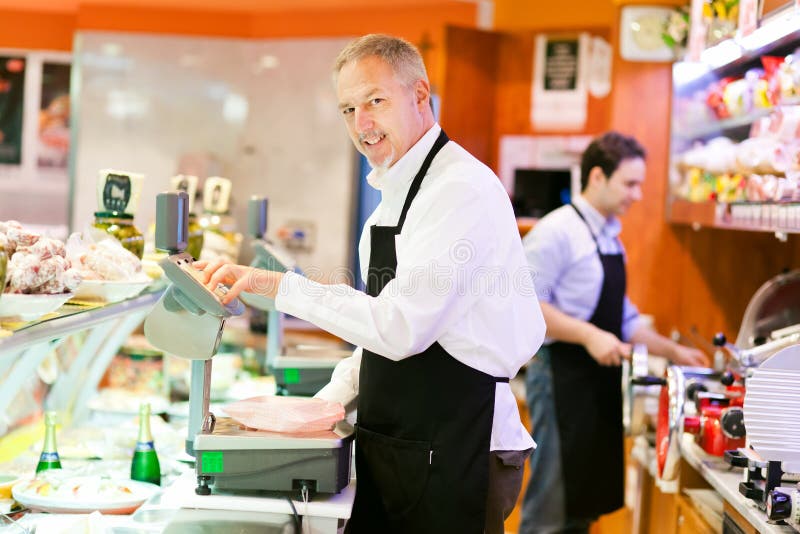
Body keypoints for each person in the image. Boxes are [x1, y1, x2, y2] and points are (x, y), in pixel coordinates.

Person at [198, 34, 546, 533]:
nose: (361, 124)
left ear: (420, 95)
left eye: (375, 101)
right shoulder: (393, 199)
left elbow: (400, 329)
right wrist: (321, 408)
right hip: (403, 444)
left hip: (457, 448)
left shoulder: (460, 190)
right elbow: (378, 337)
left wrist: (280, 287)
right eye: (348, 109)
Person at [518, 131, 709, 534]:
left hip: (597, 385)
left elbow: (624, 320)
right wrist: (589, 335)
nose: (637, 195)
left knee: (583, 503)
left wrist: (674, 352)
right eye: (630, 183)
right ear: (597, 177)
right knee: (552, 506)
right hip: (560, 380)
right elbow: (524, 305)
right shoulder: (557, 231)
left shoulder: (610, 236)